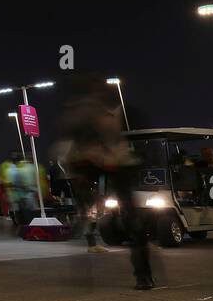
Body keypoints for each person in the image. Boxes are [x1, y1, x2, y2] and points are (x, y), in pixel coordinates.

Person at [63, 74, 154, 288]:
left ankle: (143, 275)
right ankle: (85, 216)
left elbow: (137, 144)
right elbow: (77, 143)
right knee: (126, 216)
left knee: (133, 220)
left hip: (118, 164)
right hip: (97, 163)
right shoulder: (82, 112)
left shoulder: (117, 112)